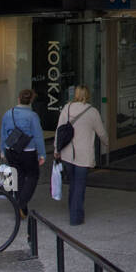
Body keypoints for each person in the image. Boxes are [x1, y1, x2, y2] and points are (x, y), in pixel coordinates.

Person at [55, 85, 107, 226]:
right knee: (79, 185)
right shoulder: (92, 112)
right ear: (88, 95)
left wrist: (56, 149)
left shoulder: (67, 109)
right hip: (83, 155)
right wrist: (107, 143)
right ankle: (76, 216)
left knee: (73, 184)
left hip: (67, 154)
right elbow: (101, 132)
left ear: (76, 94)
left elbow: (59, 130)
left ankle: (73, 210)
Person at [0, 89, 45, 218]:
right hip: (28, 151)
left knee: (17, 176)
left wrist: (2, 151)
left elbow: (3, 134)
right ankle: (20, 204)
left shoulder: (8, 114)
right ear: (31, 101)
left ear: (18, 99)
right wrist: (42, 154)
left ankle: (22, 210)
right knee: (33, 175)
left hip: (10, 150)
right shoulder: (33, 116)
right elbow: (38, 136)